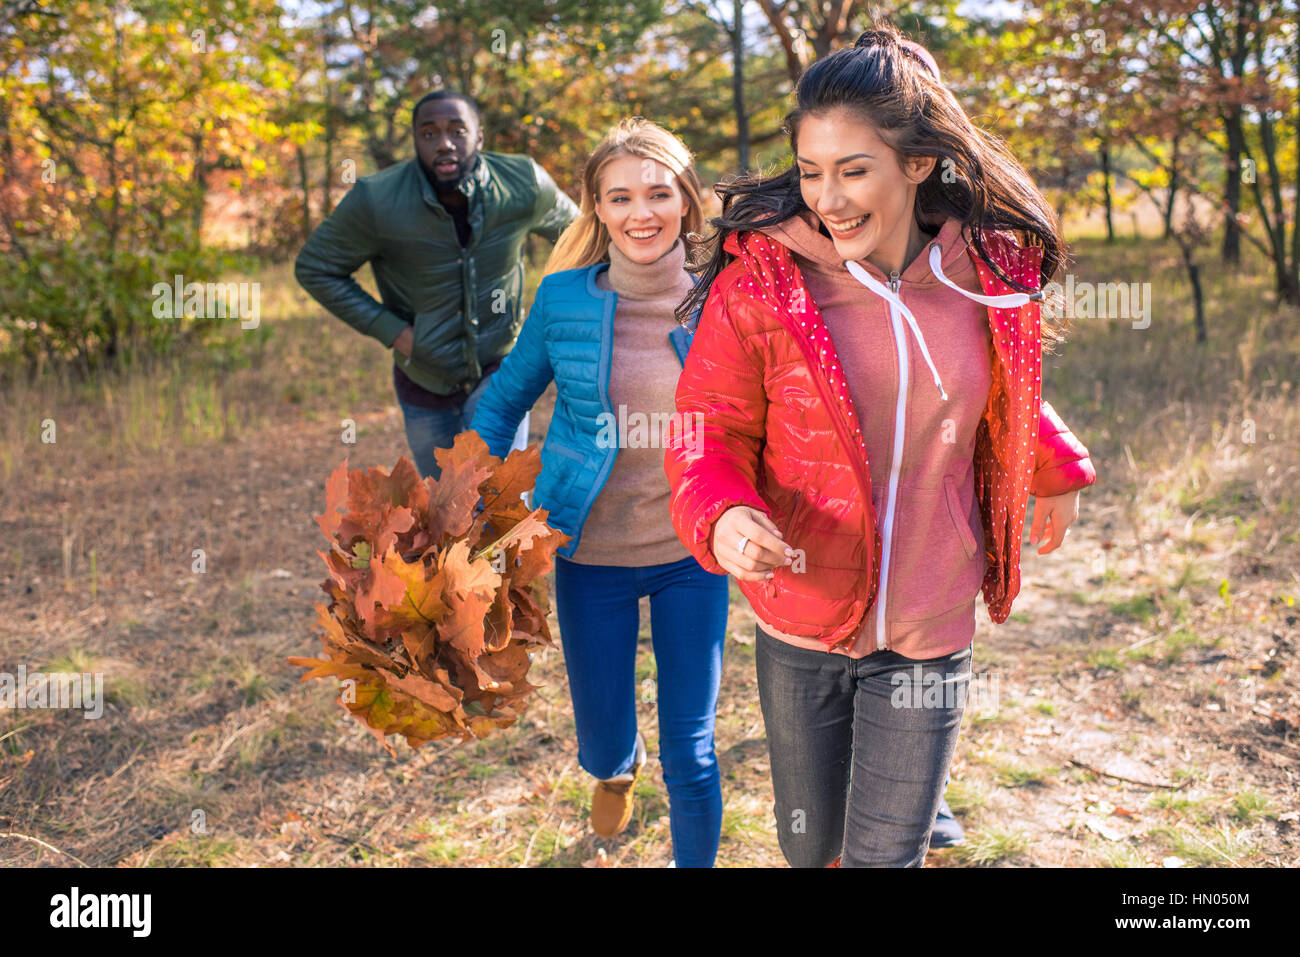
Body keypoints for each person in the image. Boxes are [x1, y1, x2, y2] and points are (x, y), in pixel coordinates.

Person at [664, 26, 1097, 868]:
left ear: (918, 163)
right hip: (802, 612)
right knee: (809, 847)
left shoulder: (987, 273)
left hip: (932, 619)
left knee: (883, 857)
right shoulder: (766, 281)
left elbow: (997, 387)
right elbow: (704, 425)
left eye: (854, 169)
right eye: (811, 171)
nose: (827, 197)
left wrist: (1055, 463)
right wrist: (719, 515)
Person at [469, 118, 729, 868]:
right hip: (590, 549)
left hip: (692, 552)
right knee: (605, 735)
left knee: (694, 745)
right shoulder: (562, 302)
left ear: (686, 201)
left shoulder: (723, 300)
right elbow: (501, 403)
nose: (640, 213)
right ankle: (616, 768)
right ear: (597, 208)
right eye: (620, 197)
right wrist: (471, 494)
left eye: (658, 194)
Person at [294, 90, 580, 479]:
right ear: (415, 140)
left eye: (457, 131)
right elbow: (315, 267)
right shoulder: (377, 200)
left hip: (499, 367)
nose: (444, 143)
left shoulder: (522, 184)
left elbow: (582, 241)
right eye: (428, 134)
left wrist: (550, 324)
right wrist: (396, 333)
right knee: (442, 507)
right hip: (422, 376)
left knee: (497, 500)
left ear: (479, 136)